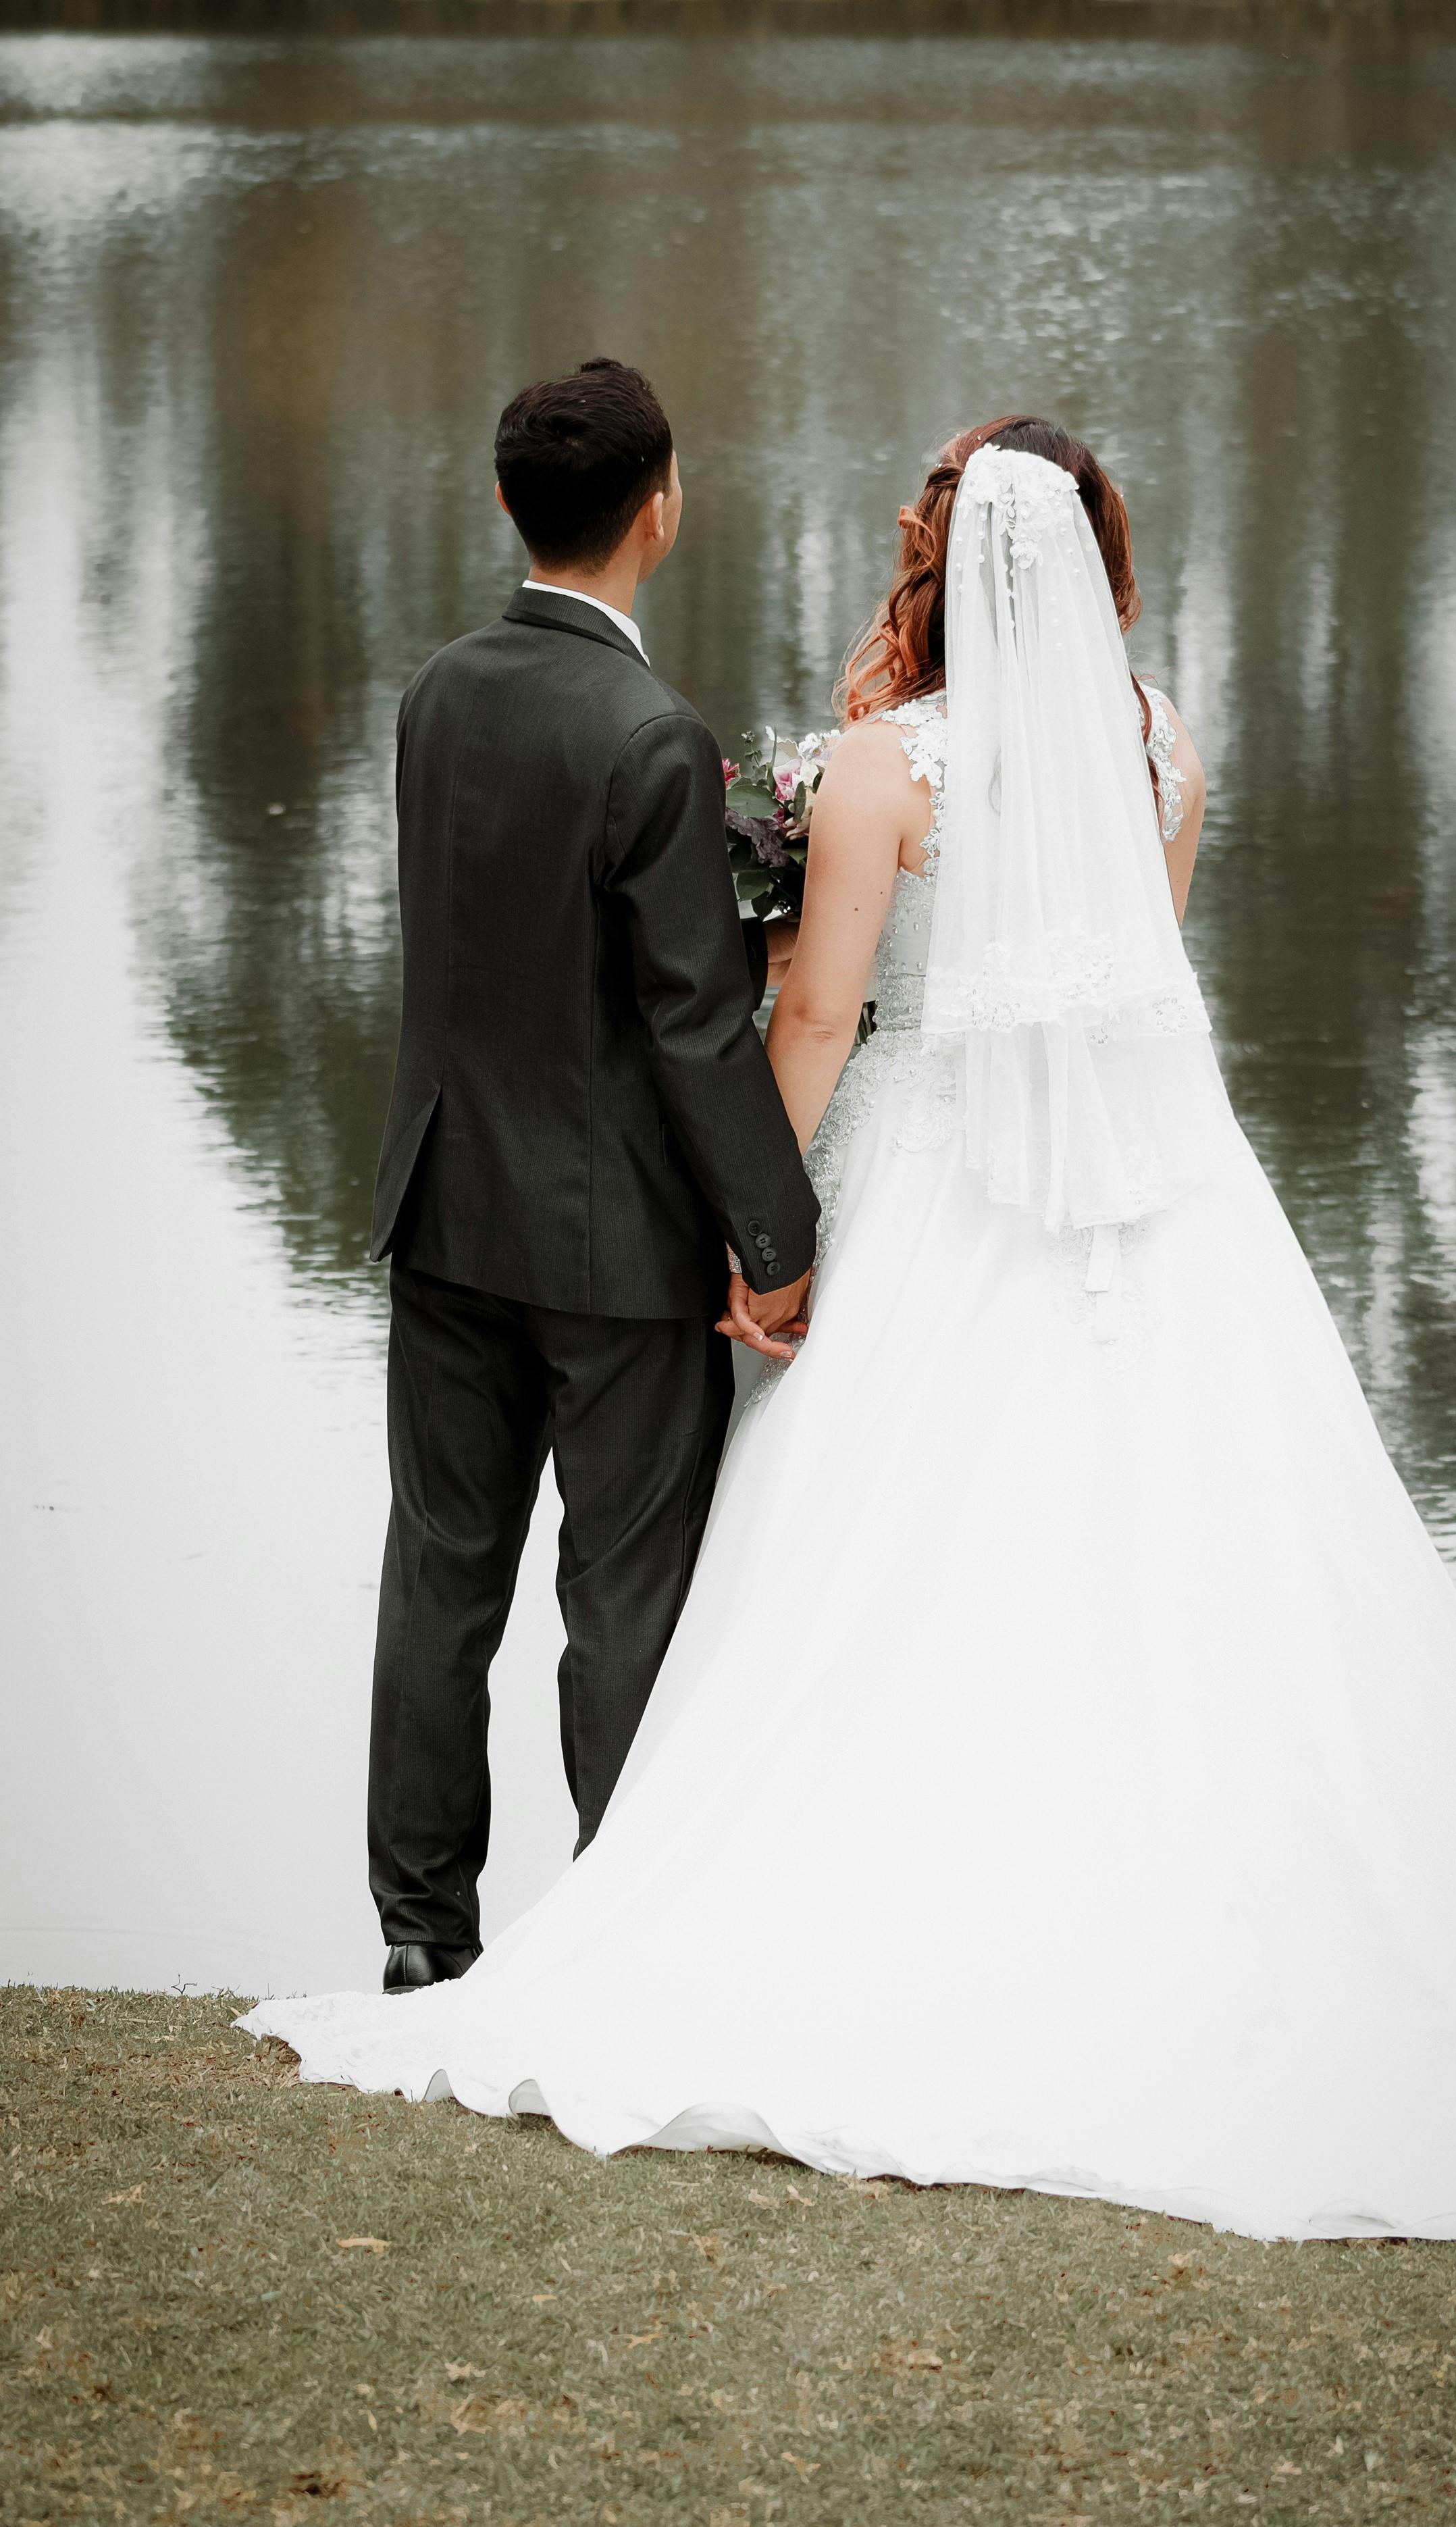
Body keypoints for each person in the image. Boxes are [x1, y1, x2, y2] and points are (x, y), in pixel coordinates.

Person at [244, 419, 1456, 2242]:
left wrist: (754, 1228)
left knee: (834, 1565)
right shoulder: (1159, 748)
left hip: (923, 1191)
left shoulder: (877, 767)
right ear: (1094, 570)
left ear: (931, 555)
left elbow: (825, 1018)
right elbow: (1121, 988)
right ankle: (1161, 1922)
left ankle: (506, 1921)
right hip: (1147, 1215)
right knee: (1167, 1574)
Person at [362, 360, 817, 1995]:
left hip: (442, 1205)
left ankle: (425, 1935)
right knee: (621, 1593)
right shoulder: (650, 734)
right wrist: (776, 1232)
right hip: (615, 1242)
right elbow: (693, 1028)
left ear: (506, 506)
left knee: (440, 1568)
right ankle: (616, 1933)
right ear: (664, 508)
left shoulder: (436, 691)